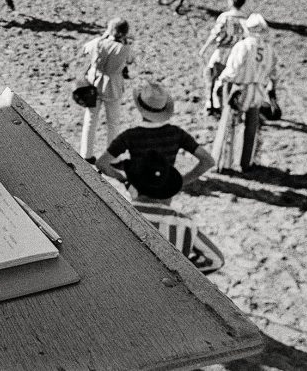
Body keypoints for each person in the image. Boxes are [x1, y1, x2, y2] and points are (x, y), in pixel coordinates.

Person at [96, 82, 216, 191]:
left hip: (138, 191)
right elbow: (208, 161)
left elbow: (102, 163)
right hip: (164, 191)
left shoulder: (130, 136)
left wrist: (122, 178)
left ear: (140, 108)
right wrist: (181, 182)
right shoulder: (176, 133)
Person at [125, 155, 225, 274]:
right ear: (168, 193)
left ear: (135, 187)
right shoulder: (185, 224)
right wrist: (182, 272)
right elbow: (215, 260)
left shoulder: (121, 212)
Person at [214, 13, 279, 172]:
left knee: (229, 123)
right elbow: (274, 74)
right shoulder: (269, 49)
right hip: (258, 90)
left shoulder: (243, 46)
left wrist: (221, 81)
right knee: (252, 126)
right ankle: (246, 162)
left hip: (239, 89)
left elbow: (233, 70)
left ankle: (224, 162)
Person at [78, 18, 134, 163]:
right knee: (113, 123)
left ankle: (86, 154)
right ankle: (113, 159)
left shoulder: (97, 42)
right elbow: (130, 60)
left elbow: (84, 49)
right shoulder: (124, 48)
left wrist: (104, 37)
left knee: (90, 120)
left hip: (94, 83)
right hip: (112, 86)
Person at [198, 0, 249, 116]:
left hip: (223, 51)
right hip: (237, 54)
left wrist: (204, 47)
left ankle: (210, 104)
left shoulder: (225, 17)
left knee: (211, 76)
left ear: (231, 2)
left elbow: (216, 33)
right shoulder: (246, 18)